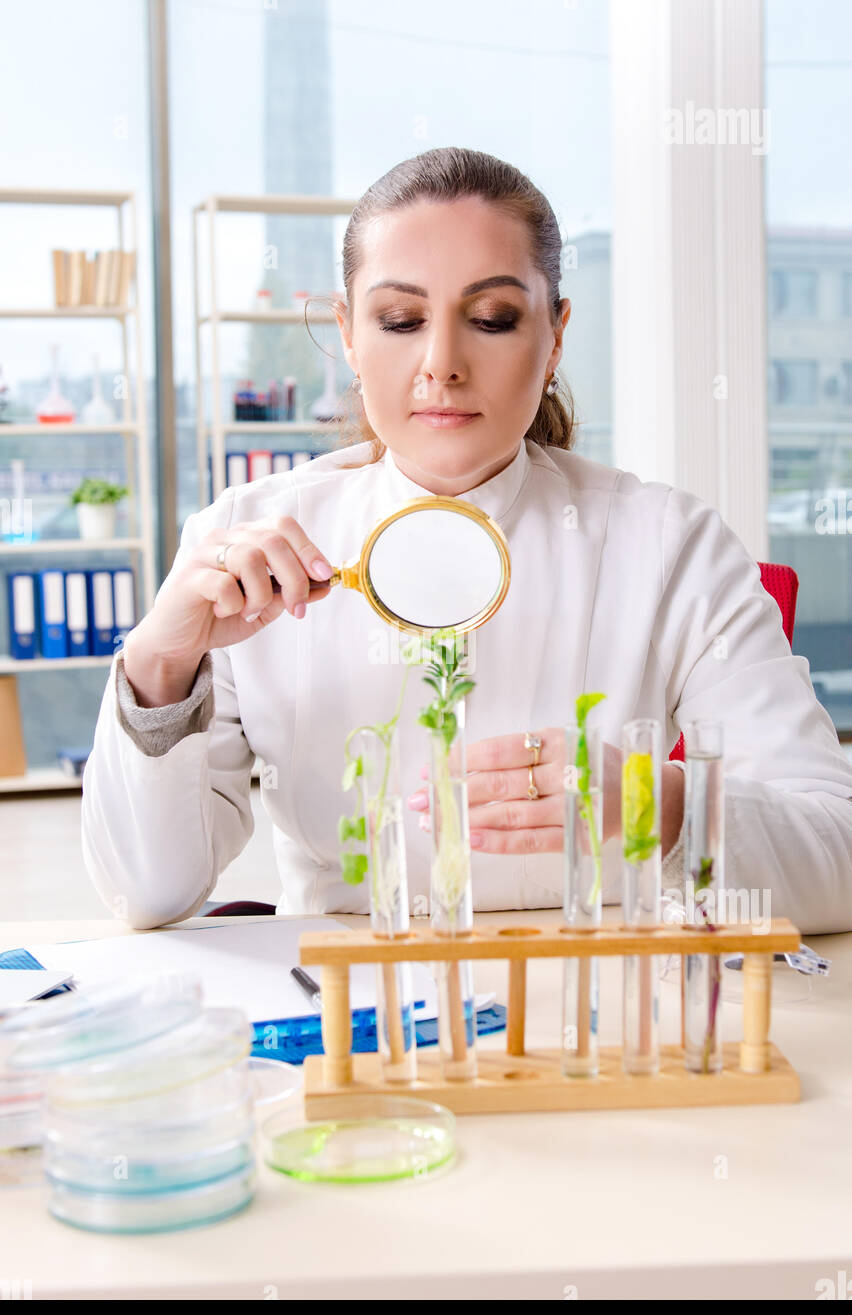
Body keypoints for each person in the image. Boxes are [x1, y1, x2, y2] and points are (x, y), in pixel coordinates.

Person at [82, 146, 852, 932]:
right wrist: (160, 665)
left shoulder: (670, 544)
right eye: (400, 320)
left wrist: (662, 803)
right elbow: (147, 897)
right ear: (348, 335)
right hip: (353, 1007)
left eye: (491, 320)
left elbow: (839, 861)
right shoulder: (240, 539)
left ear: (554, 336)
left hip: (604, 1014)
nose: (441, 364)